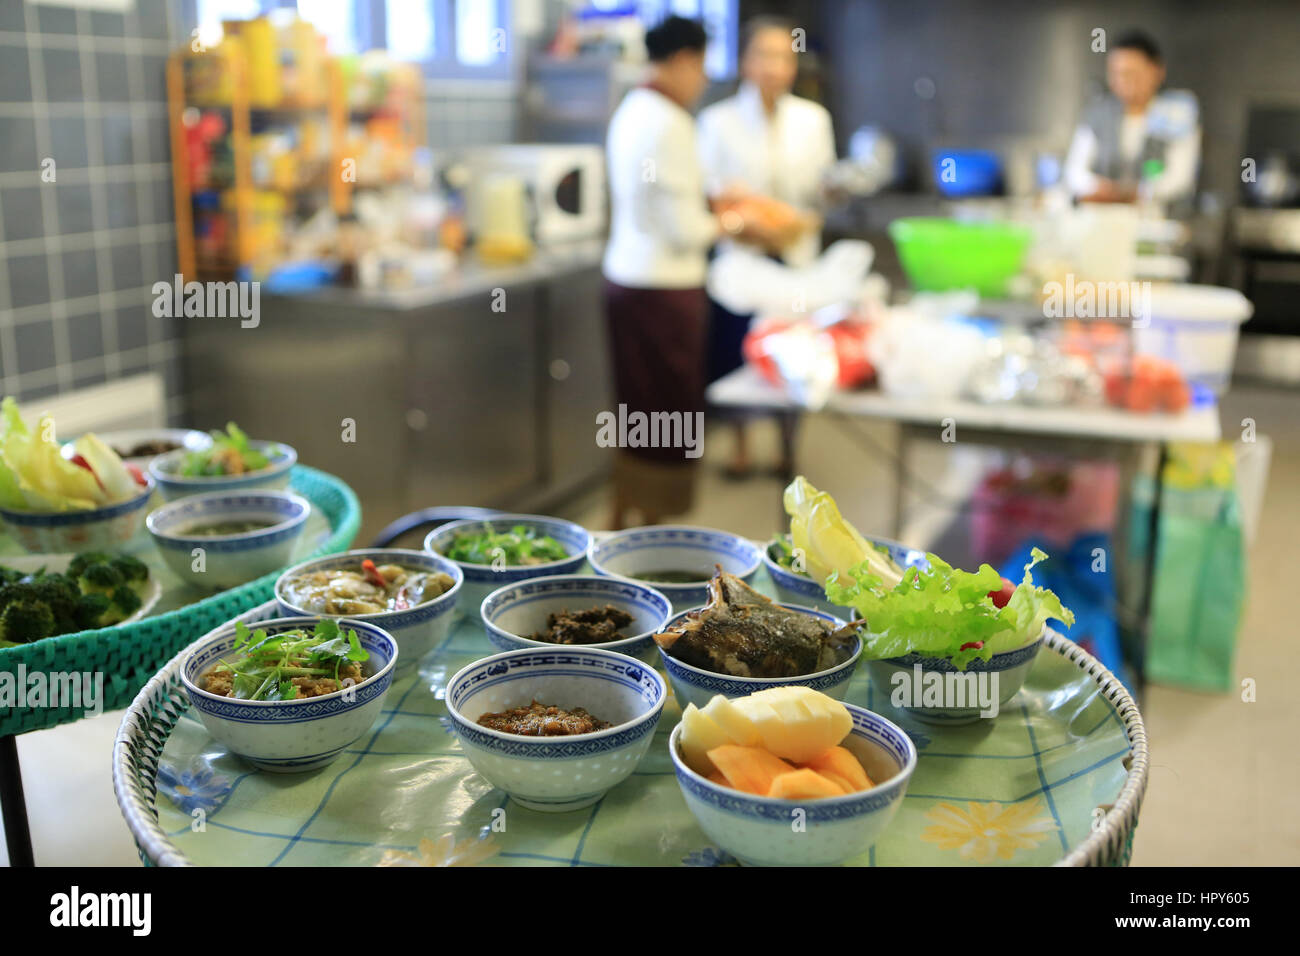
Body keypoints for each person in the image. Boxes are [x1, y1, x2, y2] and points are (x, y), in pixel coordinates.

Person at [602, 16, 762, 529]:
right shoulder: (668, 122)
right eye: (701, 68)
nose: (703, 80)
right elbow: (682, 230)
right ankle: (651, 538)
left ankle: (626, 520)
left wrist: (712, 198)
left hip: (629, 279)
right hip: (663, 290)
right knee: (668, 419)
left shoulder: (634, 108)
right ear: (684, 61)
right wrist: (733, 221)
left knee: (640, 417)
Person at [696, 15, 837, 479]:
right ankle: (740, 446)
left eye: (784, 57)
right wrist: (757, 222)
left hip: (796, 257)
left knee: (790, 352)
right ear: (745, 62)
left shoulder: (813, 121)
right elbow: (715, 194)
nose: (775, 67)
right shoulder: (718, 122)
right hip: (743, 258)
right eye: (765, 55)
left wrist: (808, 214)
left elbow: (822, 190)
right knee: (738, 351)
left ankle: (787, 447)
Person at [1064, 30, 1200, 212]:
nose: (1122, 82)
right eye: (1116, 73)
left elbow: (1180, 179)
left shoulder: (1177, 113)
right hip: (1104, 219)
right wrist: (1099, 187)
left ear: (1157, 71)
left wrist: (1137, 193)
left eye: (1131, 74)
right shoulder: (1098, 113)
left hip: (1159, 218)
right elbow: (1074, 171)